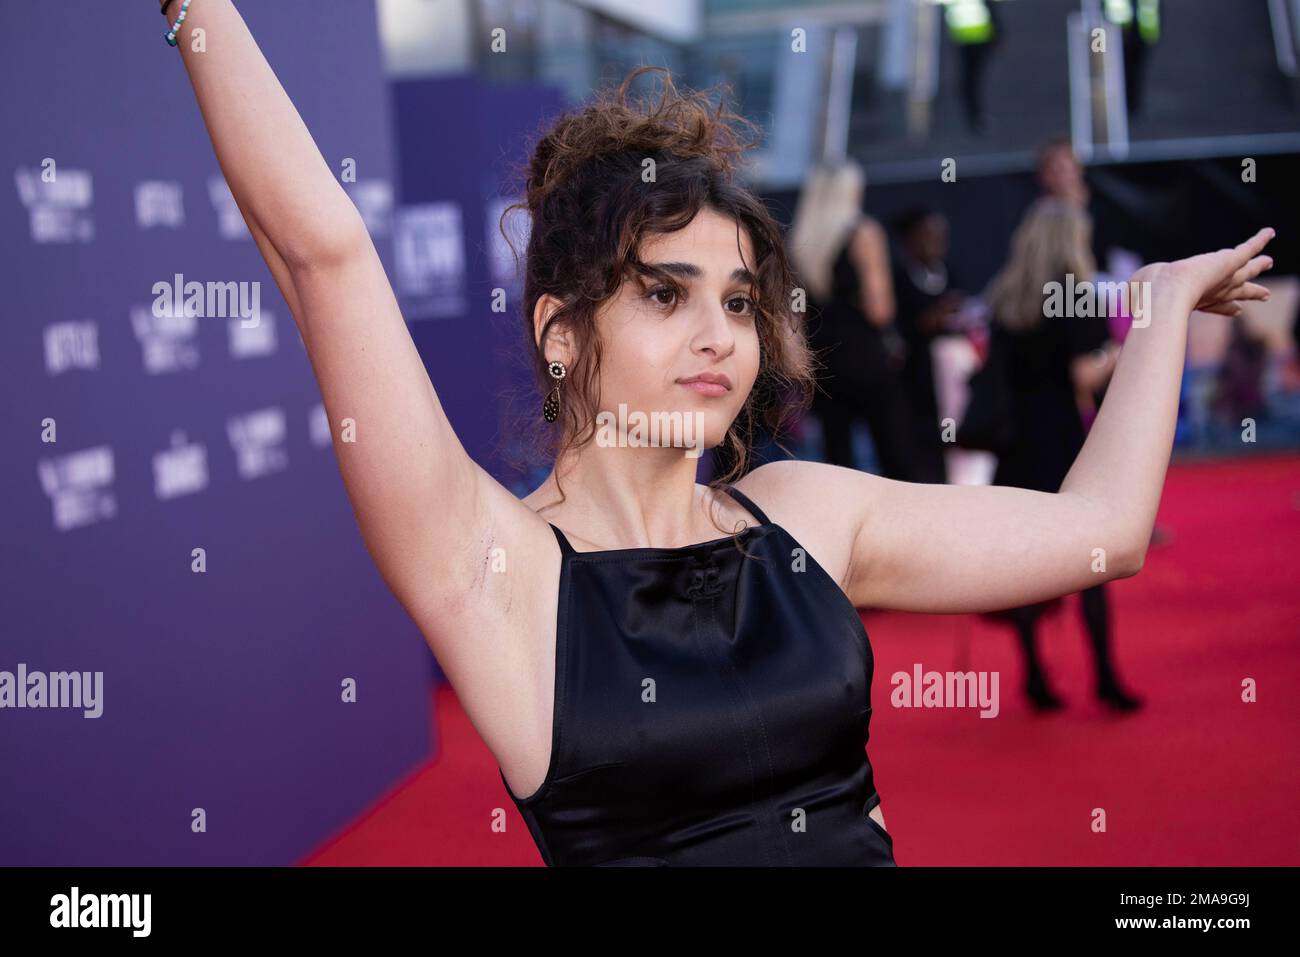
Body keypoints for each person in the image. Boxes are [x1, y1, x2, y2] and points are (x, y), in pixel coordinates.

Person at [162, 1, 1274, 864]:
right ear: (560, 331)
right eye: (664, 294)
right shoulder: (492, 570)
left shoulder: (803, 515)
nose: (719, 336)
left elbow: (1102, 532)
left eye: (740, 302)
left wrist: (1163, 307)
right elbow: (324, 255)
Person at [984, 198, 1142, 711]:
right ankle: (1105, 678)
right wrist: (1124, 349)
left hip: (1017, 445)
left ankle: (1033, 675)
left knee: (1029, 564)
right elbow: (1082, 377)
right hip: (1064, 443)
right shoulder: (1075, 293)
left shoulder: (1007, 297)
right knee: (1091, 563)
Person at [788, 161, 919, 480]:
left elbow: (793, 315)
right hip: (866, 356)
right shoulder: (863, 233)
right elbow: (881, 310)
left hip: (822, 359)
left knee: (838, 461)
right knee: (894, 456)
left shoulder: (797, 240)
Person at [890, 208, 964, 484]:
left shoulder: (950, 274)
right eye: (928, 237)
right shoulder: (900, 280)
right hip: (917, 381)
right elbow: (896, 329)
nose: (937, 243)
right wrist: (926, 323)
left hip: (951, 380)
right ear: (911, 241)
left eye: (941, 237)